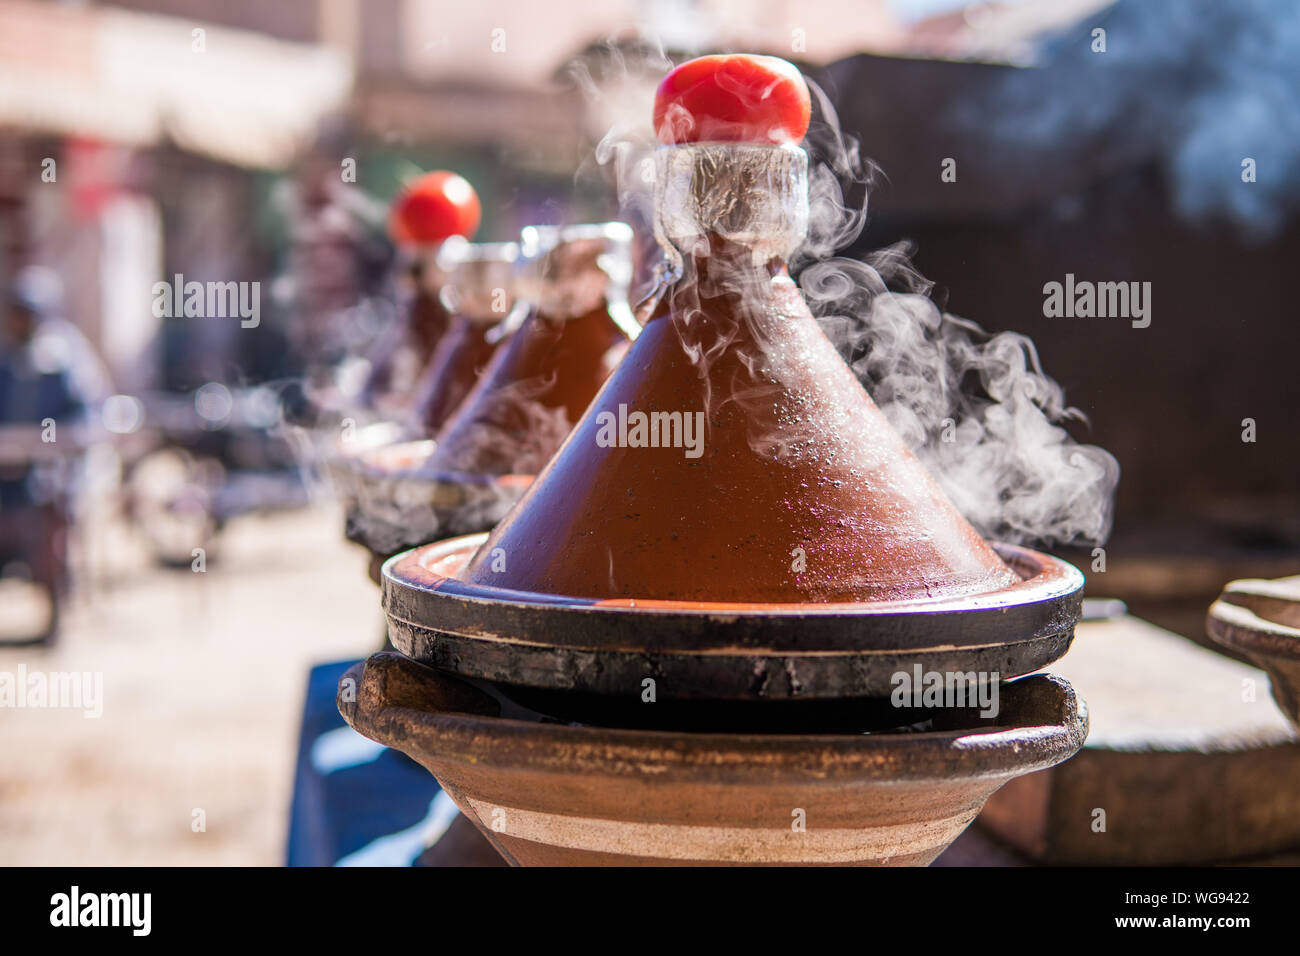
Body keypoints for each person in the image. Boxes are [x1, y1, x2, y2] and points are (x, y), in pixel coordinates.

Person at [0, 266, 108, 644]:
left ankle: (53, 615)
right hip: (9, 477)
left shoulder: (65, 361)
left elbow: (87, 419)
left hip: (52, 478)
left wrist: (47, 444)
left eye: (24, 313)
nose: (17, 321)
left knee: (48, 520)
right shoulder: (7, 362)